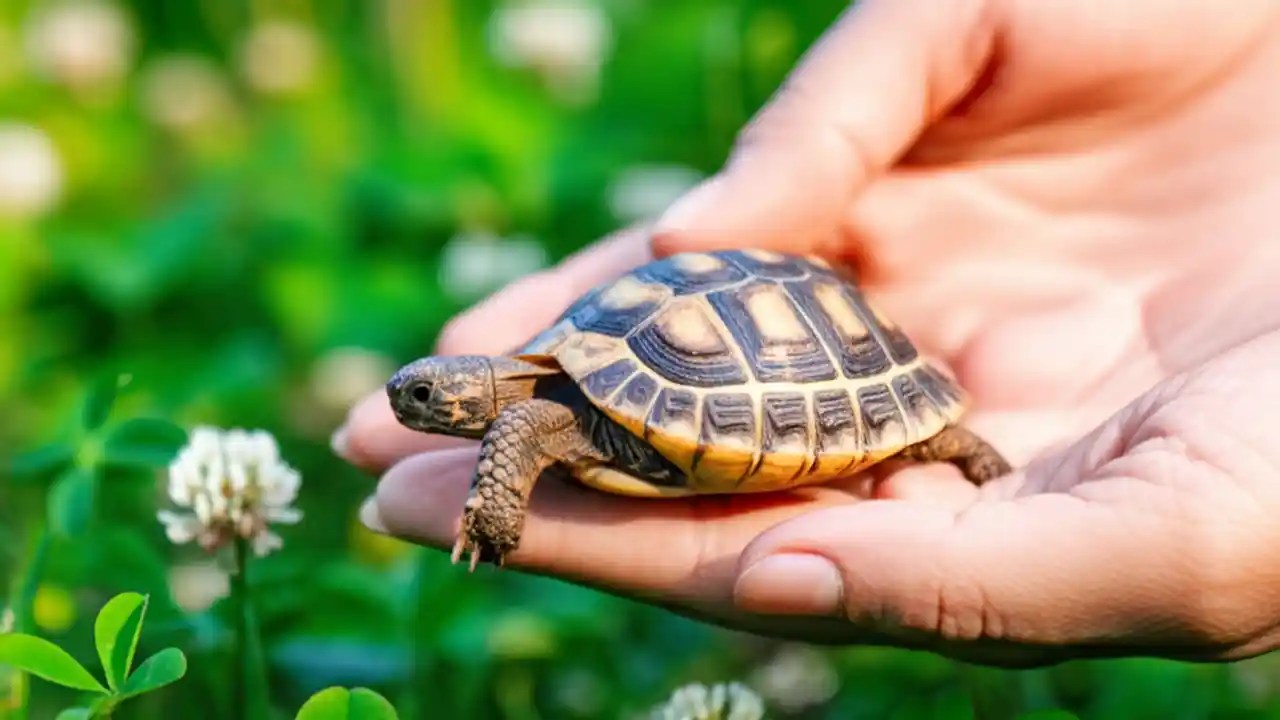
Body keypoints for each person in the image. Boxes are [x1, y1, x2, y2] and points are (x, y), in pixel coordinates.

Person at [331, 0, 1280, 666]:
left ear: (468, 397)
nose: (417, 407)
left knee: (924, 438)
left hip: (794, 352)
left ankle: (950, 437)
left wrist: (494, 508)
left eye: (426, 397)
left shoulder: (533, 420)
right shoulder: (549, 407)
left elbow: (523, 425)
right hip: (698, 355)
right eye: (418, 396)